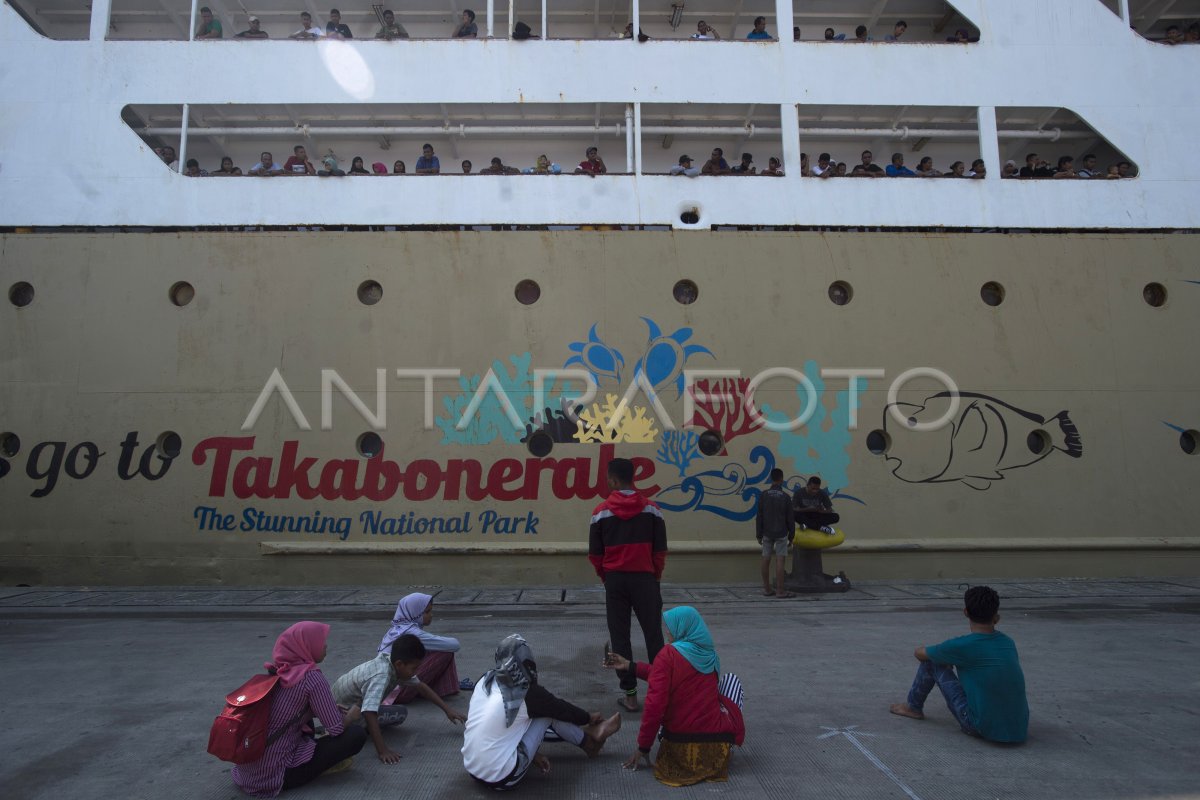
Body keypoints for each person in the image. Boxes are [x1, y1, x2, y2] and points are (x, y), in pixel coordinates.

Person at [604, 607, 746, 786]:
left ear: (683, 628)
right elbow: (667, 675)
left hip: (679, 754)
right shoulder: (708, 654)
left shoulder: (668, 655)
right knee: (730, 681)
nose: (668, 630)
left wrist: (644, 746)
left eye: (671, 626)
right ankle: (727, 745)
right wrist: (630, 666)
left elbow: (655, 705)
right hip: (715, 753)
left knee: (669, 703)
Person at [462, 634, 622, 790]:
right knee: (547, 714)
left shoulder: (485, 680)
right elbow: (561, 709)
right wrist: (588, 717)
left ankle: (586, 734)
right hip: (502, 778)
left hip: (473, 769)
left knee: (524, 717)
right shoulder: (526, 693)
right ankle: (589, 743)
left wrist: (533, 756)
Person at [231, 621, 367, 798]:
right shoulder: (312, 678)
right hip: (276, 775)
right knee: (356, 735)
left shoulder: (278, 672)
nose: (325, 645)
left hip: (247, 772)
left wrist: (326, 709)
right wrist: (350, 717)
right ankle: (313, 768)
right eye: (321, 641)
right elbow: (336, 729)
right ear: (306, 646)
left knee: (305, 720)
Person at [889, 586, 1028, 743]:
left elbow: (919, 653)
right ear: (996, 618)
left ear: (965, 612)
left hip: (979, 727)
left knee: (931, 662)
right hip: (1019, 730)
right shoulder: (1008, 642)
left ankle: (913, 707)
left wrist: (944, 656)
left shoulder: (960, 646)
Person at [589, 456, 668, 712]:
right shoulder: (653, 510)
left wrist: (606, 576)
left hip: (616, 581)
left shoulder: (600, 513)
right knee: (654, 636)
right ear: (633, 478)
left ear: (612, 479)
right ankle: (662, 693)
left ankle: (631, 696)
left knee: (620, 638)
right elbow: (660, 551)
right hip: (645, 579)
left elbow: (595, 555)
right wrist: (654, 576)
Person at [332, 634, 467, 764]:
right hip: (341, 713)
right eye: (414, 668)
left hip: (351, 706)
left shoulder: (392, 663)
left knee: (400, 713)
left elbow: (421, 686)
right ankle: (348, 728)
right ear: (399, 664)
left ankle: (362, 726)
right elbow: (369, 712)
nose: (416, 672)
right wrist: (383, 751)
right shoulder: (382, 675)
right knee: (375, 721)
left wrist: (448, 710)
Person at [377, 593, 465, 703]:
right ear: (415, 613)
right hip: (397, 692)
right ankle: (434, 689)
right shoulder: (411, 632)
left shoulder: (396, 628)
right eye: (427, 612)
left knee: (425, 651)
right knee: (445, 652)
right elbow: (454, 645)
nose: (431, 615)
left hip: (381, 689)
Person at [756, 468, 794, 597]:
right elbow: (790, 518)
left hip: (767, 532)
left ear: (771, 478)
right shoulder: (786, 497)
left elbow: (759, 515)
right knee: (780, 560)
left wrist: (759, 534)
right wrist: (792, 535)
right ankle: (780, 590)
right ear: (782, 479)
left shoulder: (764, 495)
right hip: (781, 532)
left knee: (765, 558)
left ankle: (767, 589)